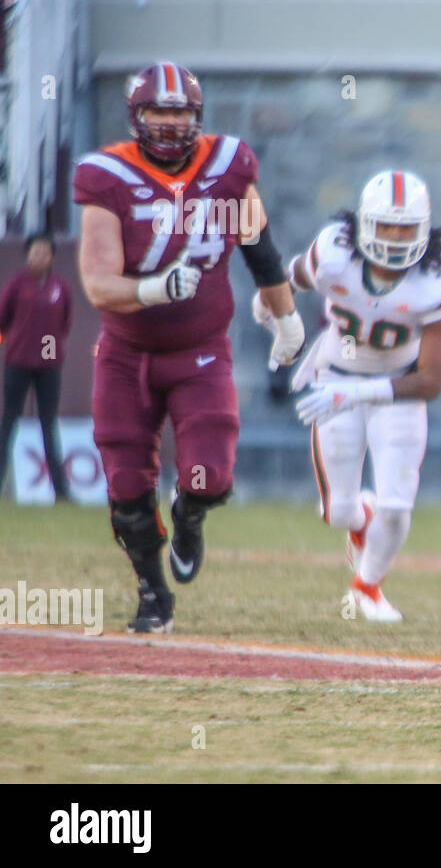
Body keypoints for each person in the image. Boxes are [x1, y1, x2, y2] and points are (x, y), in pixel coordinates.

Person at [75, 61, 305, 634]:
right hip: (128, 353)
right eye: (159, 111)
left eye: (180, 112)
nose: (171, 124)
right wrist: (152, 289)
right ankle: (153, 593)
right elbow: (99, 283)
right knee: (127, 485)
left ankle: (190, 514)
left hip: (200, 349)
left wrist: (288, 319)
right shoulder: (106, 177)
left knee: (211, 474)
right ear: (137, 116)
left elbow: (259, 248)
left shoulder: (228, 168)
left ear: (197, 117)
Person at [284, 171, 441, 622]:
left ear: (425, 229)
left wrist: (356, 394)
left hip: (399, 389)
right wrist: (278, 321)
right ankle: (358, 517)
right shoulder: (334, 254)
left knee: (398, 504)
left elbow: (433, 381)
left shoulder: (440, 278)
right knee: (338, 512)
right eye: (387, 226)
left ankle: (367, 587)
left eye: (406, 228)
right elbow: (288, 278)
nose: (396, 238)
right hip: (335, 373)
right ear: (364, 224)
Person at [0, 234, 72, 499]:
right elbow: (3, 319)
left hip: (49, 367)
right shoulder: (17, 285)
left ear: (51, 256)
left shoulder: (59, 287)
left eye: (43, 252)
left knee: (48, 424)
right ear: (27, 255)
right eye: (34, 252)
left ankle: (61, 493)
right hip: (18, 363)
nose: (38, 257)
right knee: (8, 422)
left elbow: (64, 324)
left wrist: (49, 351)